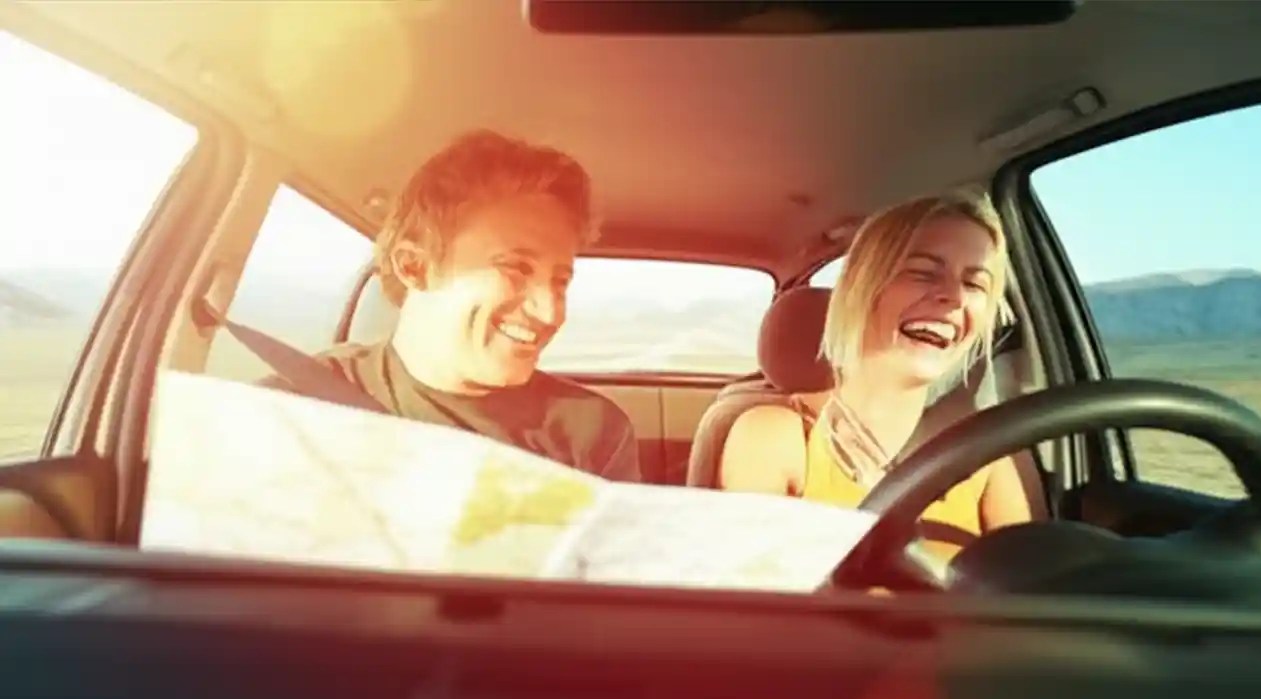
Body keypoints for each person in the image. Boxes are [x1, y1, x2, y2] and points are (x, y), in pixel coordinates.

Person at [263, 130, 642, 483]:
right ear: (415, 266)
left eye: (560, 281)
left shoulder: (591, 433)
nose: (550, 313)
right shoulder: (294, 407)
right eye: (515, 268)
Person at [718, 189, 1047, 558]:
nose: (954, 298)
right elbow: (756, 598)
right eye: (922, 273)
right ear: (862, 287)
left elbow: (1028, 601)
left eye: (974, 283)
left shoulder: (992, 456)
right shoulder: (777, 436)